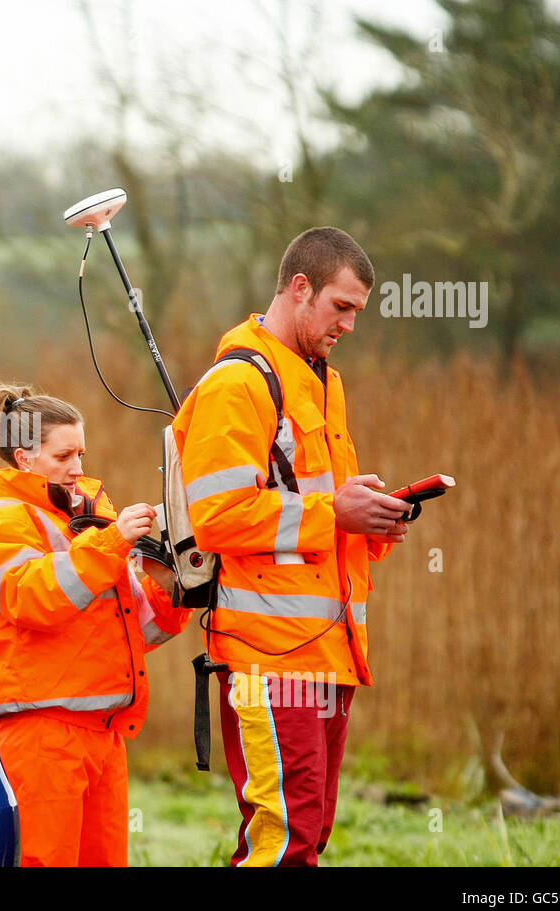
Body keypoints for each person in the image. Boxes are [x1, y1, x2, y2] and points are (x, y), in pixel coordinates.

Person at [171, 227, 410, 867]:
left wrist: (372, 521)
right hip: (267, 659)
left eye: (358, 312)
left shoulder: (323, 384)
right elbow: (218, 518)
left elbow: (318, 514)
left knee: (307, 838)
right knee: (284, 844)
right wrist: (337, 512)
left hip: (325, 655)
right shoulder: (236, 385)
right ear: (300, 288)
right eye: (342, 307)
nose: (351, 326)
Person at [0, 384, 190, 866]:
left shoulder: (92, 525)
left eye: (81, 452)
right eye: (64, 455)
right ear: (23, 458)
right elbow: (35, 599)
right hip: (41, 736)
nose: (78, 467)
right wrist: (111, 543)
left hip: (103, 735)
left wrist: (177, 584)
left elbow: (135, 630)